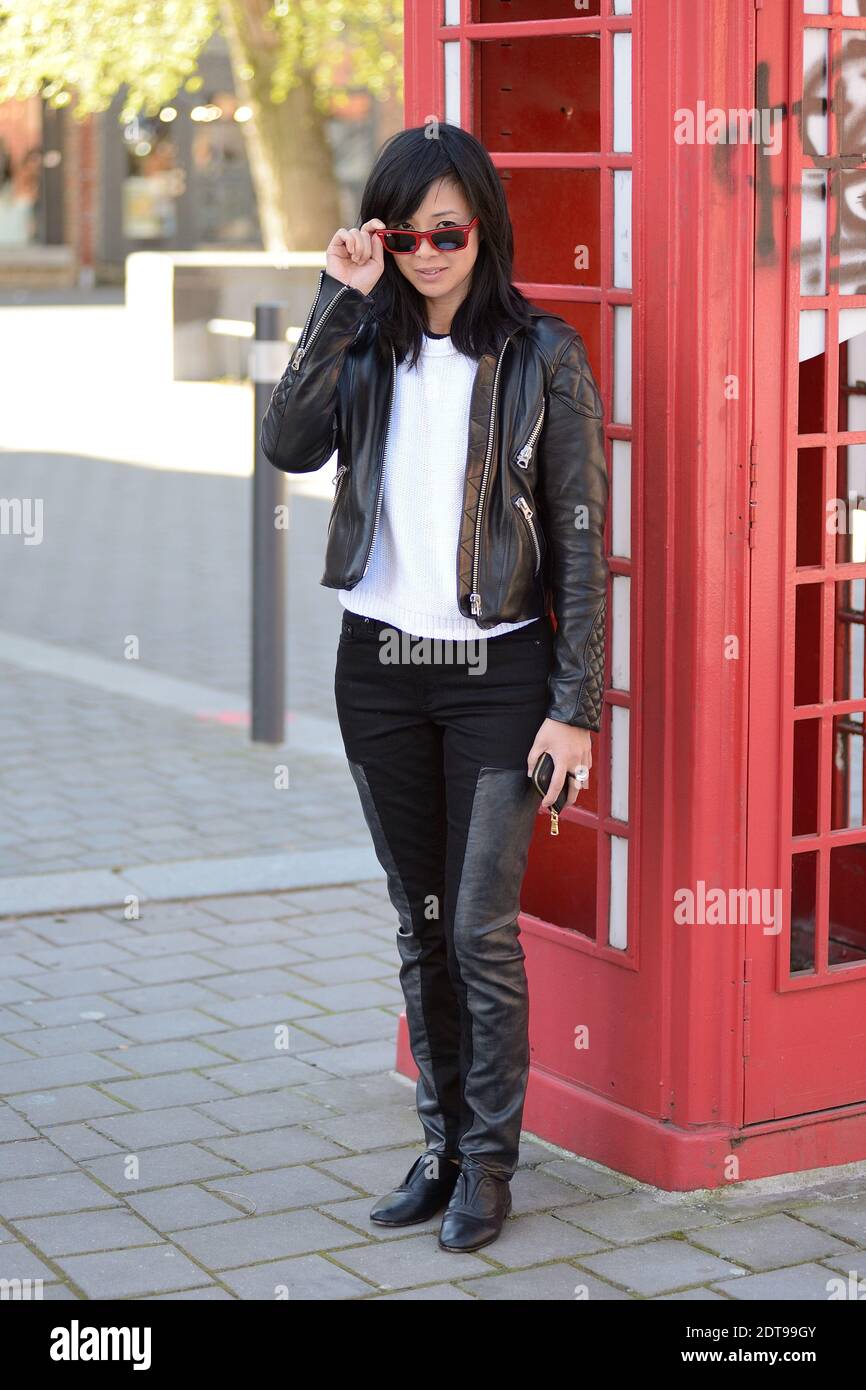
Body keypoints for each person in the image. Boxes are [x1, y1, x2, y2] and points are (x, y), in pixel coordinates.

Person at [260, 122, 608, 1253]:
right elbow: (286, 443)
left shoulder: (541, 354)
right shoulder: (365, 342)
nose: (424, 251)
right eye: (403, 232)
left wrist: (574, 703)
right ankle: (440, 1144)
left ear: (484, 228)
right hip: (380, 671)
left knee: (476, 930)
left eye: (446, 230)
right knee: (418, 928)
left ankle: (490, 1164)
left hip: (496, 673)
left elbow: (577, 533)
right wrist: (334, 298)